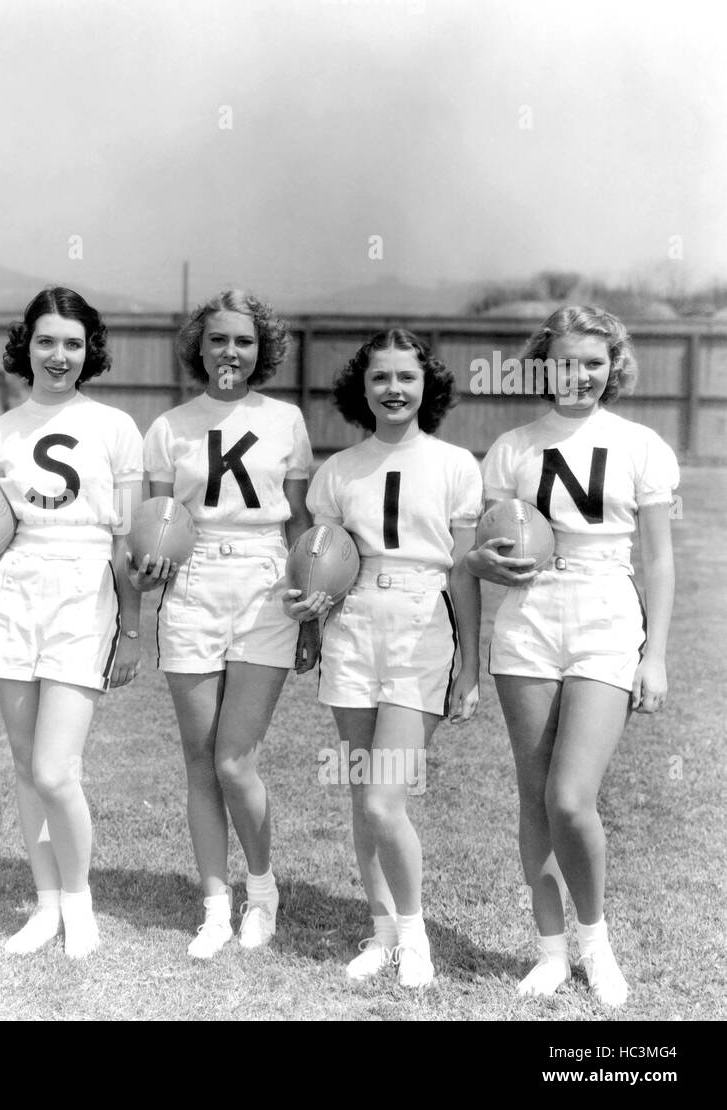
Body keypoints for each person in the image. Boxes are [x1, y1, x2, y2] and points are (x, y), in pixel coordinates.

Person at [467, 306, 677, 1008]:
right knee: (535, 797)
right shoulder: (512, 448)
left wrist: (656, 655)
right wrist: (487, 565)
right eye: (565, 360)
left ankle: (596, 942)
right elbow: (490, 547)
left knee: (570, 796)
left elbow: (658, 557)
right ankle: (550, 952)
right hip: (528, 620)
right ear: (541, 364)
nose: (580, 373)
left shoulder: (640, 444)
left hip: (607, 612)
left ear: (614, 364)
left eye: (594, 360)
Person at [285, 328, 481, 988]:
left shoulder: (456, 465)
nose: (393, 389)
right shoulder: (339, 472)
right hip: (353, 627)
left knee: (381, 801)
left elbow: (461, 573)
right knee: (362, 793)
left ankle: (415, 936)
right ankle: (382, 932)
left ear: (427, 385)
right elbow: (321, 564)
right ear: (361, 388)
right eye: (380, 378)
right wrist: (310, 629)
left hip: (421, 627)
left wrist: (470, 664)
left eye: (405, 377)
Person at [0, 287, 142, 959]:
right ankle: (45, 905)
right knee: (26, 766)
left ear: (89, 350)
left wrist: (133, 628)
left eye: (72, 342)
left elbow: (126, 537)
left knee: (57, 769)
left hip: (84, 590)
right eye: (46, 341)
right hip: (15, 591)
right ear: (25, 346)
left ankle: (80, 903)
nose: (58, 355)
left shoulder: (116, 428)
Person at [130, 288, 314, 958]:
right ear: (198, 348)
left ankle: (261, 891)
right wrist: (149, 572)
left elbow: (299, 523)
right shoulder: (169, 427)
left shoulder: (286, 420)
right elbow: (157, 526)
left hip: (265, 583)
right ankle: (215, 902)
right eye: (218, 340)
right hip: (193, 583)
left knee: (237, 760)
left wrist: (311, 601)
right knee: (200, 760)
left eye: (243, 341)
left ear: (261, 349)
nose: (230, 352)